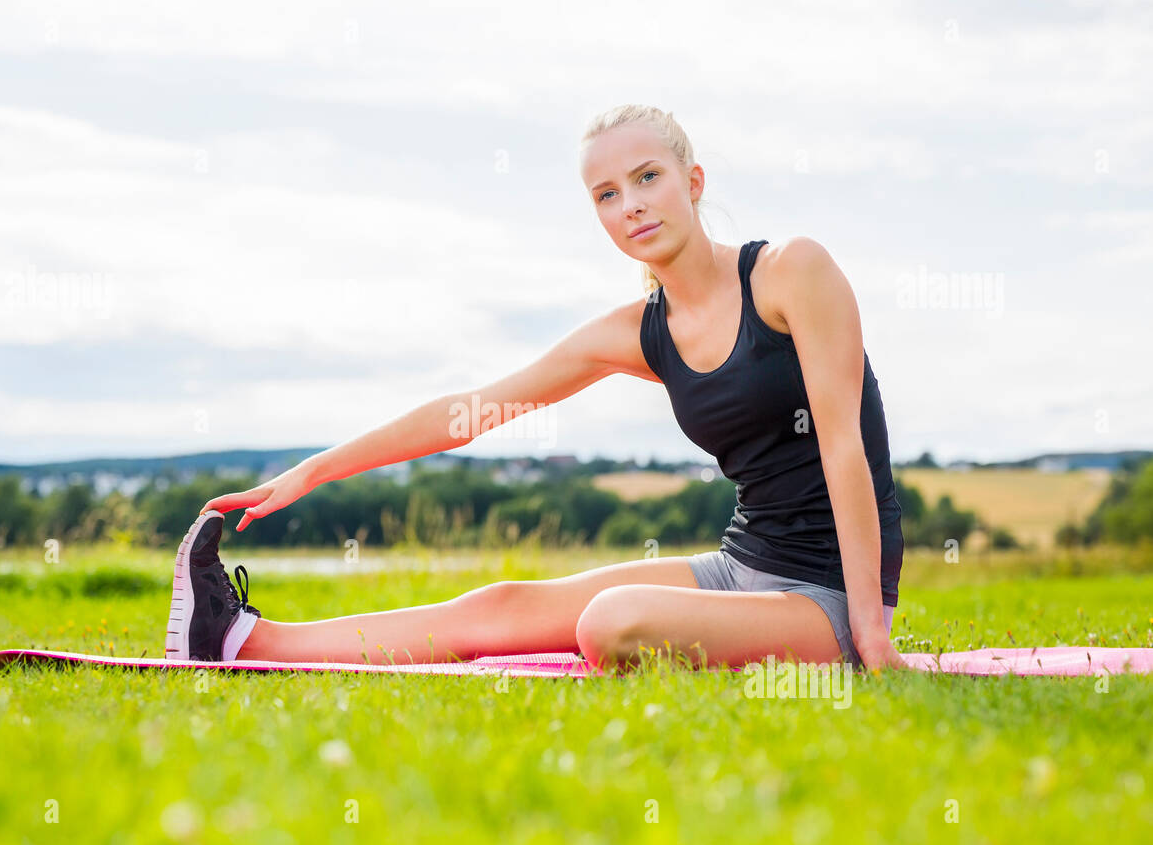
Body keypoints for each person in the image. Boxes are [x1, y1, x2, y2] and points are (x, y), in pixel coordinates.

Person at [166, 103, 909, 673]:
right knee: (502, 607)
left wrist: (870, 635)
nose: (632, 206)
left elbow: (844, 448)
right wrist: (313, 470)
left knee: (612, 621)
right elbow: (472, 413)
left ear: (693, 181)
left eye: (647, 178)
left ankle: (850, 636)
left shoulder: (791, 273)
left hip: (829, 597)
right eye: (607, 194)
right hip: (739, 568)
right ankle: (245, 641)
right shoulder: (636, 331)